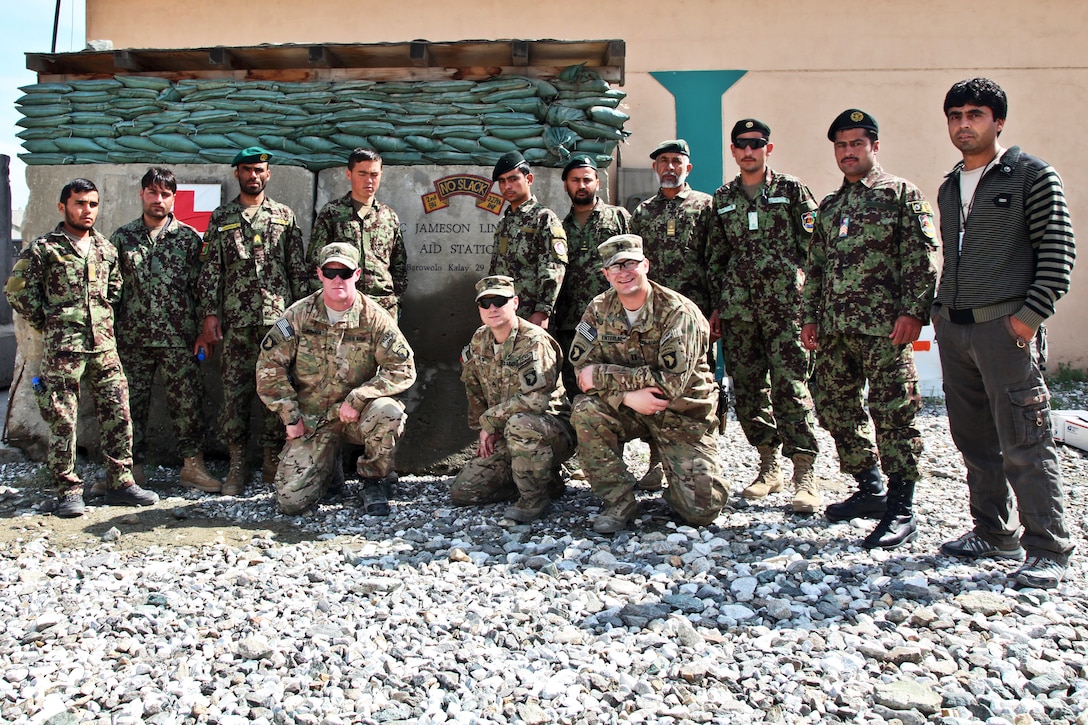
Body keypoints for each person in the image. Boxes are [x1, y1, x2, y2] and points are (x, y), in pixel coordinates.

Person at [934, 78, 1076, 588]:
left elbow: (1058, 256)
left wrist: (1026, 320)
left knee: (1024, 438)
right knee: (974, 439)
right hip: (956, 328)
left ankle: (1048, 546)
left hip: (1005, 329)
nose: (963, 124)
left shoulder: (1031, 176)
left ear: (998, 121)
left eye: (975, 114)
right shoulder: (951, 186)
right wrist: (941, 315)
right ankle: (991, 531)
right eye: (955, 115)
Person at [801, 109, 938, 550]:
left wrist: (914, 312)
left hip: (886, 330)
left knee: (894, 413)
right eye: (841, 145)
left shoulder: (900, 195)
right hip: (836, 332)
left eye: (856, 144)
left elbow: (923, 256)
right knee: (834, 406)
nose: (848, 152)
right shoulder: (830, 206)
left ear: (873, 146)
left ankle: (902, 507)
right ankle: (870, 487)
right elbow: (816, 268)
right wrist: (810, 317)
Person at [5, 178, 158, 517]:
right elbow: (16, 290)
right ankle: (67, 489)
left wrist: (100, 319)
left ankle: (121, 481)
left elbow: (114, 289)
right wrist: (48, 319)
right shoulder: (45, 248)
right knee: (63, 420)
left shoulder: (106, 248)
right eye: (79, 203)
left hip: (104, 347)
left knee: (119, 414)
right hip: (64, 349)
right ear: (63, 207)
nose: (86, 210)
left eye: (92, 204)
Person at [569, 234, 728, 534]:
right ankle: (619, 500)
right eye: (615, 267)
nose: (623, 272)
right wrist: (628, 399)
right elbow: (581, 370)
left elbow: (669, 385)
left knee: (702, 510)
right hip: (630, 409)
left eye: (630, 263)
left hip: (679, 413)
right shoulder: (598, 309)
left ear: (646, 265)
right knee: (586, 410)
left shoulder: (679, 312)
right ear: (606, 274)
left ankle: (674, 473)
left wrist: (603, 376)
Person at [707, 119, 821, 513]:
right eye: (741, 144)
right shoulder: (722, 198)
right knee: (750, 389)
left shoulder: (790, 191)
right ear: (734, 150)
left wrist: (812, 304)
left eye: (756, 144)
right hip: (740, 309)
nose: (748, 151)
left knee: (792, 385)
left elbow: (814, 248)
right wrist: (717, 307)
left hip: (786, 307)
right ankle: (768, 465)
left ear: (767, 149)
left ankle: (804, 472)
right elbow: (717, 258)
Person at [256, 243, 416, 516]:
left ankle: (372, 480)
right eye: (330, 272)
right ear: (320, 274)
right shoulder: (298, 315)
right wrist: (290, 417)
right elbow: (269, 366)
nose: (337, 279)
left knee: (389, 413)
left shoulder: (374, 317)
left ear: (357, 274)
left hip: (356, 414)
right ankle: (330, 471)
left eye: (345, 272)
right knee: (290, 502)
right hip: (312, 419)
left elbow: (402, 367)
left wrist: (359, 397)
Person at [197, 147, 310, 495]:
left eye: (259, 170)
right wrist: (209, 315)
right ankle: (236, 465)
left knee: (278, 391)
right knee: (236, 393)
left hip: (278, 323)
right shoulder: (222, 218)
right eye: (247, 170)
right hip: (236, 322)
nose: (253, 176)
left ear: (268, 173)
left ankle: (272, 460)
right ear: (237, 174)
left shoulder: (283, 216)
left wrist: (301, 316)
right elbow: (210, 270)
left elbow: (296, 269)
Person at [110, 167, 221, 494]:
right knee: (129, 406)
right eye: (153, 193)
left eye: (165, 194)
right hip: (132, 338)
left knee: (188, 404)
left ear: (174, 197)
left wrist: (203, 330)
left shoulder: (188, 238)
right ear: (142, 194)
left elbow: (201, 288)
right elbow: (112, 289)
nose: (158, 200)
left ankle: (193, 466)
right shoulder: (122, 237)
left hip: (179, 338)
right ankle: (131, 470)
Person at [452, 275, 575, 522]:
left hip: (549, 429)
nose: (492, 308)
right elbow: (473, 388)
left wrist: (490, 421)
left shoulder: (534, 341)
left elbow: (535, 401)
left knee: (521, 423)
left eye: (499, 301)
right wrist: (484, 431)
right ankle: (541, 479)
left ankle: (533, 499)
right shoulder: (480, 339)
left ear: (515, 302)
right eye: (485, 303)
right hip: (507, 430)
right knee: (464, 491)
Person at [629, 139, 715, 491]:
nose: (669, 167)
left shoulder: (705, 206)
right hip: (653, 320)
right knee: (656, 383)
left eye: (676, 161)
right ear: (655, 168)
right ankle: (656, 460)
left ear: (688, 168)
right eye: (663, 161)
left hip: (694, 318)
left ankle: (701, 456)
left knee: (695, 386)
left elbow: (716, 261)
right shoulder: (643, 212)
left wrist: (716, 310)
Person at [554, 153, 631, 398]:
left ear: (597, 182)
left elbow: (634, 264)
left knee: (613, 381)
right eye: (575, 180)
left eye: (587, 179)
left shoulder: (618, 217)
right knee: (575, 382)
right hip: (572, 322)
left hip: (612, 319)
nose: (581, 185)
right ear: (566, 185)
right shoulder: (559, 227)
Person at [308, 147, 407, 318]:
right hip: (341, 305)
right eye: (362, 174)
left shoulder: (388, 216)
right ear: (349, 174)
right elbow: (315, 261)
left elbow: (399, 265)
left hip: (382, 307)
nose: (369, 180)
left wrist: (396, 299)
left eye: (374, 174)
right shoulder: (333, 213)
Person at [488, 151, 568, 329]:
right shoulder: (504, 223)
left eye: (513, 179)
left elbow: (553, 268)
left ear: (529, 179)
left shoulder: (544, 218)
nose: (507, 186)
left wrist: (543, 310)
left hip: (531, 316)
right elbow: (495, 269)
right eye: (502, 181)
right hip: (503, 314)